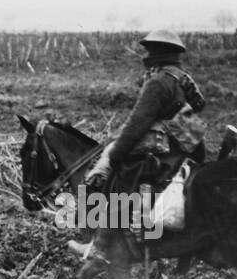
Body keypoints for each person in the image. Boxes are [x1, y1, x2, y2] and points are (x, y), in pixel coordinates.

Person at [85, 30, 206, 194]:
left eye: (150, 50)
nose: (148, 54)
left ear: (157, 51)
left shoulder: (158, 82)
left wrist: (114, 155)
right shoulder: (182, 78)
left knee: (107, 165)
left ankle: (108, 212)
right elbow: (199, 104)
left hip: (162, 148)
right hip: (182, 146)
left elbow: (137, 123)